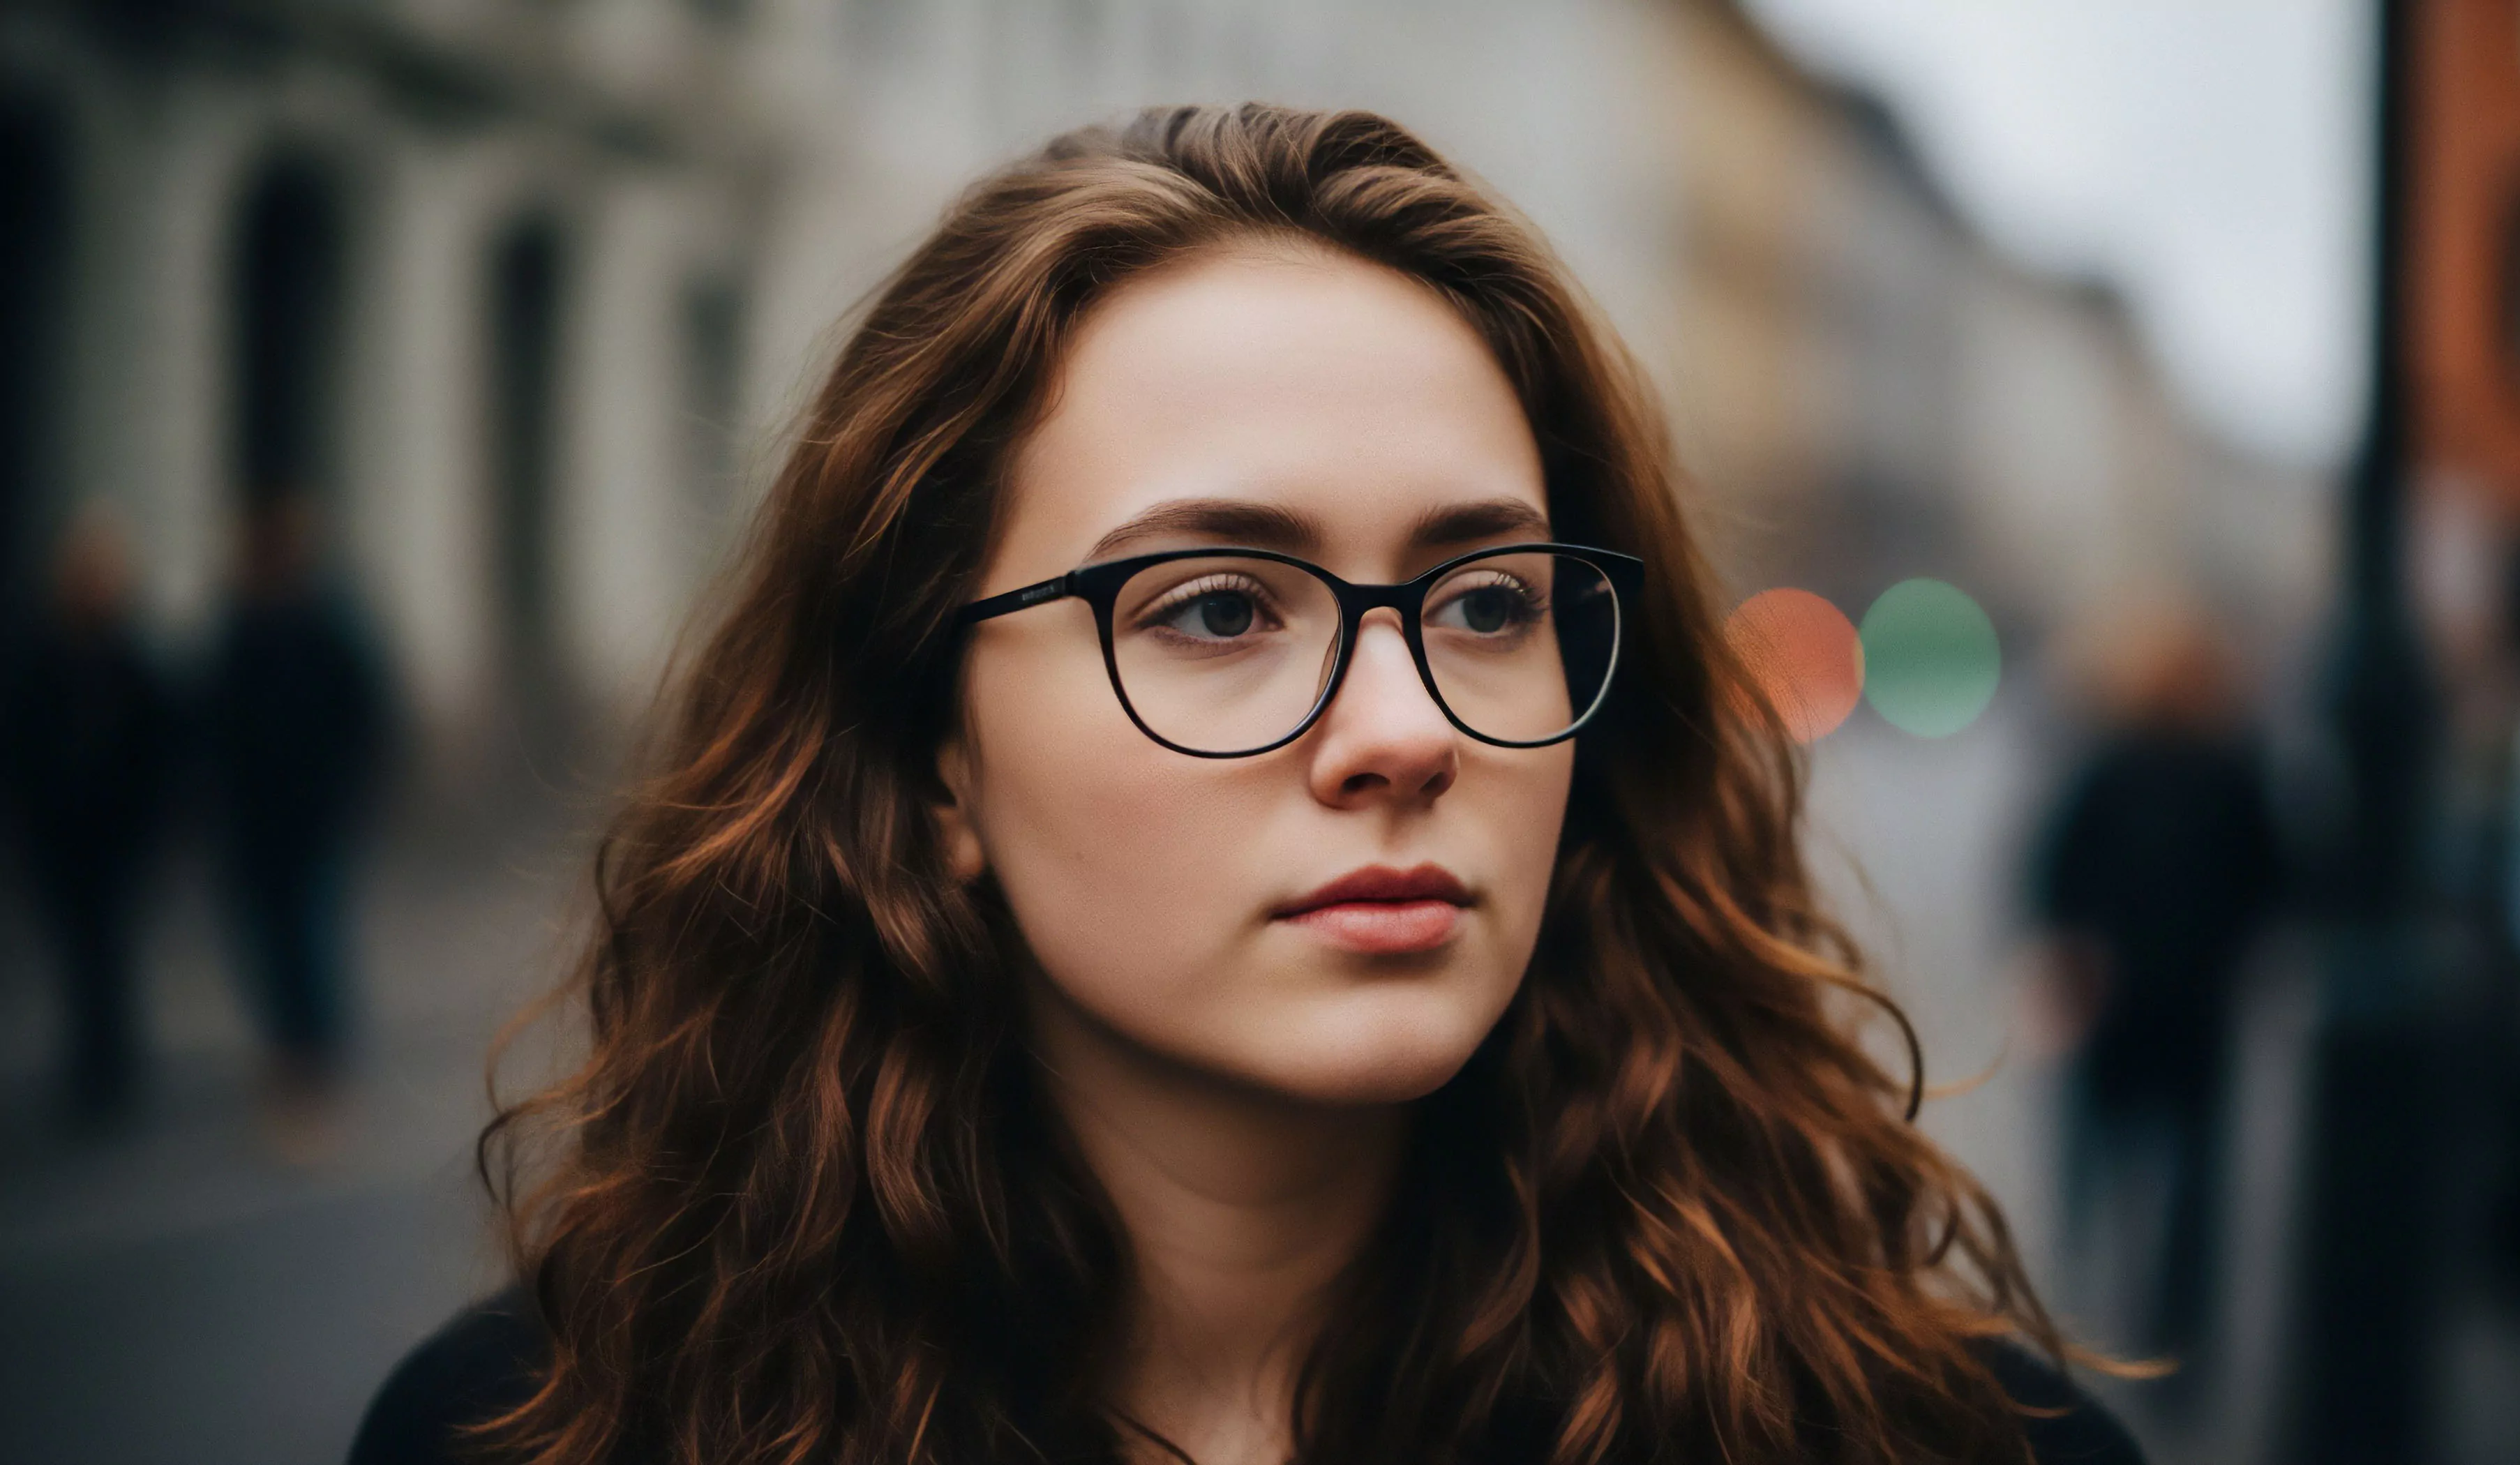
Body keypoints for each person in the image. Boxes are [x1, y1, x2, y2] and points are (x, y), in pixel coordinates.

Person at [354, 107, 2140, 1465]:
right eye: (1215, 606)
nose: (1407, 729)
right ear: (934, 755)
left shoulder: (1939, 1438)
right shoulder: (545, 1433)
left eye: (1487, 602)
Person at [2032, 606, 2282, 1366]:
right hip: (2177, 999)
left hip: (2135, 995)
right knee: (2183, 1169)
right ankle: (2164, 1316)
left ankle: (2119, 1296)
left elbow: (2054, 876)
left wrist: (2075, 944)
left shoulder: (2130, 765)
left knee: (2125, 1153)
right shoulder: (2224, 768)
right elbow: (2272, 883)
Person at [208, 493, 391, 1153]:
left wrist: (346, 790)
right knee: (267, 943)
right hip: (255, 824)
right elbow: (215, 723)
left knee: (310, 941)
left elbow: (364, 713)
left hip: (310, 819)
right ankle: (290, 1055)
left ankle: (316, 1063)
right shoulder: (239, 626)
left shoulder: (325, 626)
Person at [1, 509, 177, 1125]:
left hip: (115, 838)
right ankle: (92, 1062)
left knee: (108, 950)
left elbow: (160, 748)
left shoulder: (133, 658)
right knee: (80, 952)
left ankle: (112, 1064)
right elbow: (23, 746)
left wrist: (148, 822)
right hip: (63, 837)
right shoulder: (45, 657)